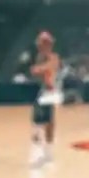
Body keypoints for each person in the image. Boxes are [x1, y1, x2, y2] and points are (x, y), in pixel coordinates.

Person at [29, 31, 61, 167]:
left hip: (50, 91)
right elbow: (34, 71)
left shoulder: (53, 57)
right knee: (37, 121)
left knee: (49, 122)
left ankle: (47, 152)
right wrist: (40, 69)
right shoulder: (39, 57)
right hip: (40, 90)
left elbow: (48, 68)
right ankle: (41, 150)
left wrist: (40, 69)